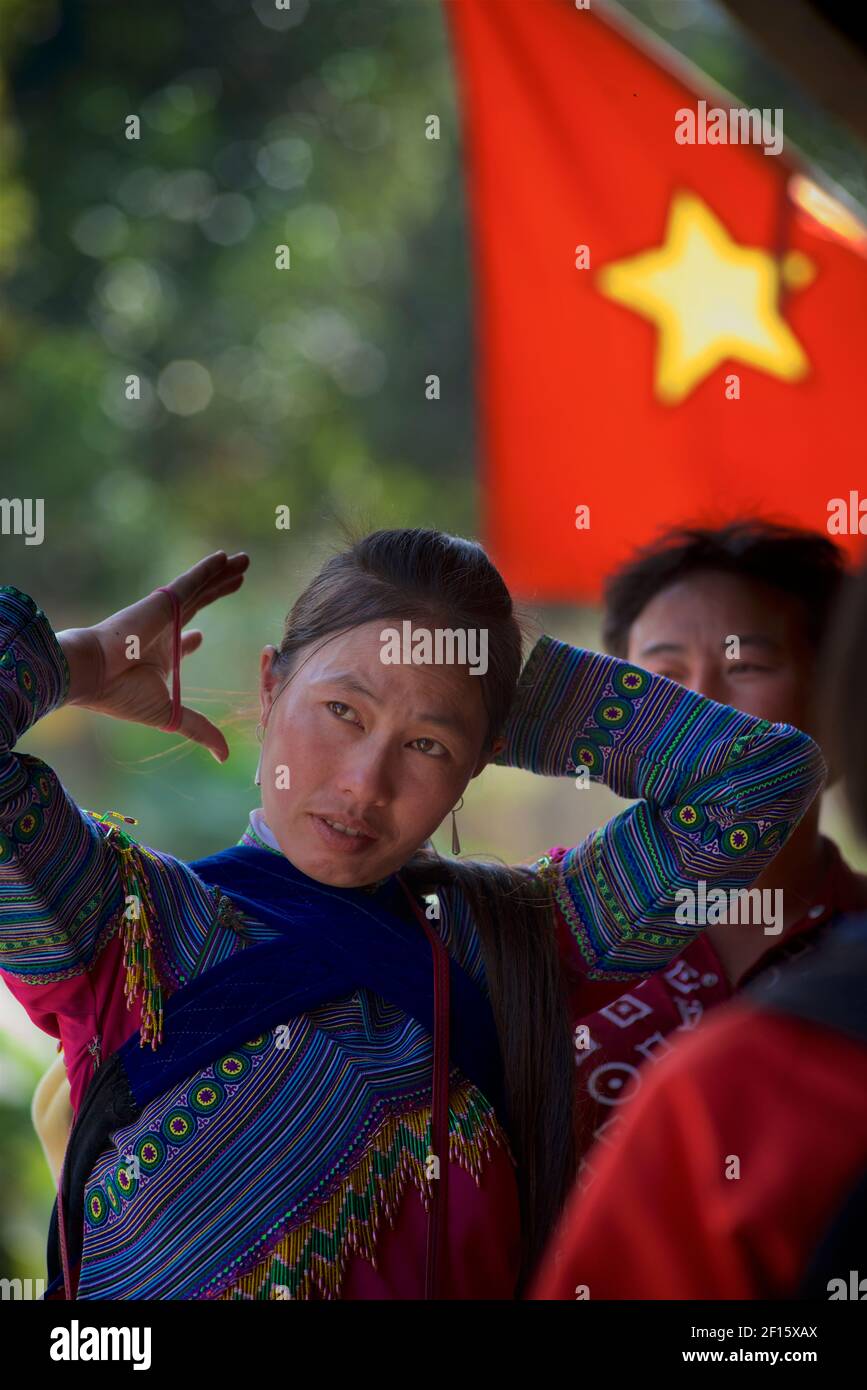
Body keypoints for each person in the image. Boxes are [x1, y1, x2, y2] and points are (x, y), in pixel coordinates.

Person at [0, 528, 824, 1300]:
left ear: (478, 761)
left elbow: (759, 778)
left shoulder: (517, 940)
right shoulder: (120, 923)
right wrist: (82, 661)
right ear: (270, 683)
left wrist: (491, 677)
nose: (365, 783)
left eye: (429, 745)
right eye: (343, 712)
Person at [532, 555, 867, 1301]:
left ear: (834, 699)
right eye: (659, 673)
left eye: (747, 664)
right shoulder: (529, 921)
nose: (704, 699)